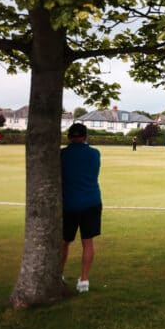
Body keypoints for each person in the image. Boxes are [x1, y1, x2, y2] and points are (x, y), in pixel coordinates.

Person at [60, 123, 102, 294]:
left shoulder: (62, 155)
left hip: (68, 203)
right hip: (91, 202)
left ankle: (59, 274)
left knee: (64, 242)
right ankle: (84, 280)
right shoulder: (94, 153)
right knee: (88, 242)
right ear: (85, 136)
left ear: (69, 137)